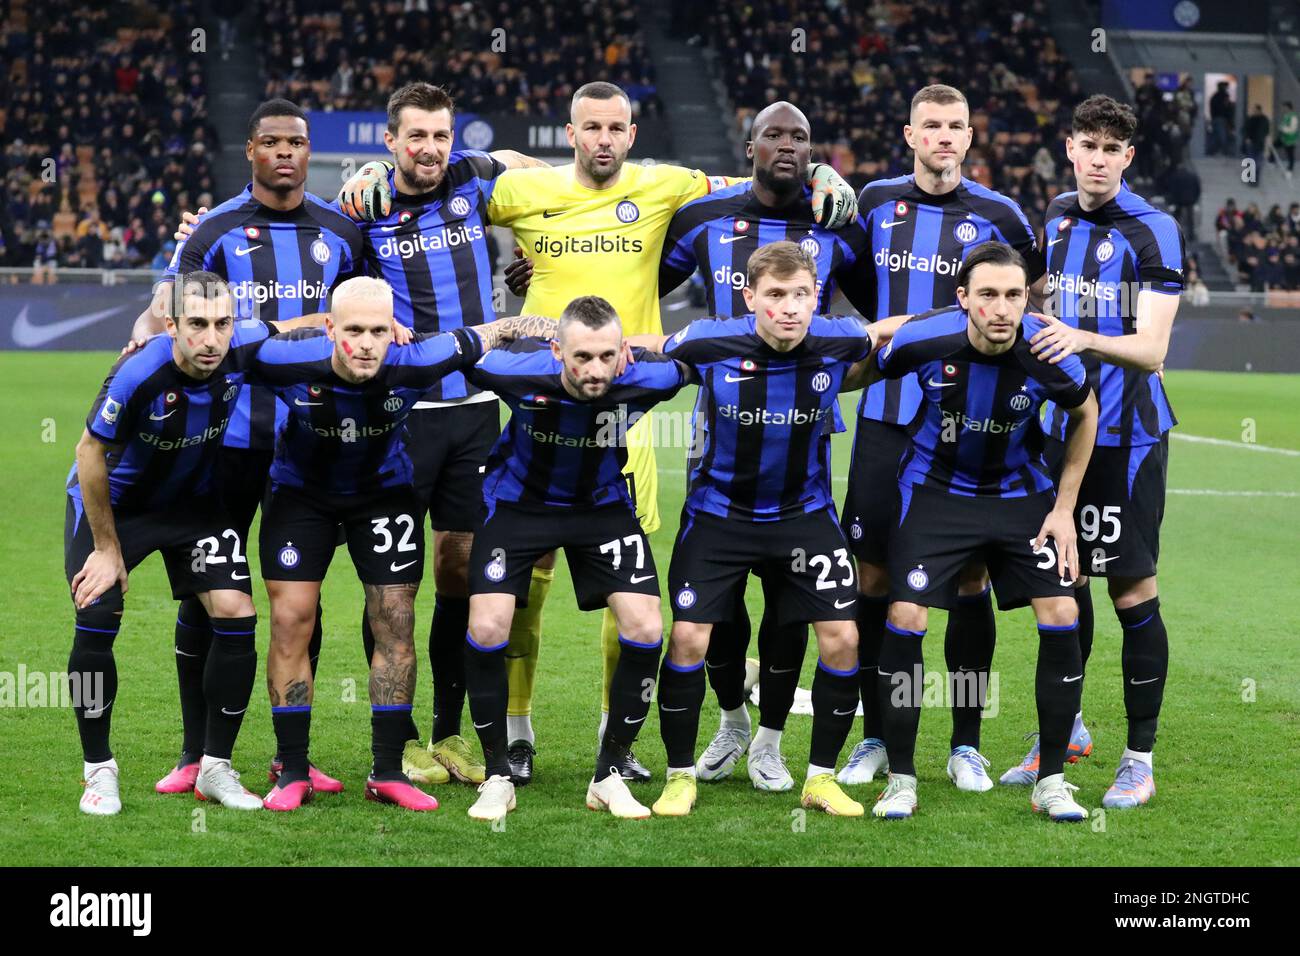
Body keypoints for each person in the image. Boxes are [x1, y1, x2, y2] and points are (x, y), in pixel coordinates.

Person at [339, 80, 861, 786]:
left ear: (632, 134)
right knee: (522, 588)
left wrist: (823, 169)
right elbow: (439, 183)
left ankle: (618, 741)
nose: (605, 138)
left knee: (632, 589)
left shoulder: (667, 185)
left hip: (627, 408)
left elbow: (763, 168)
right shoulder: (525, 190)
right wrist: (369, 171)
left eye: (617, 126)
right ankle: (516, 733)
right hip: (536, 400)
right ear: (573, 130)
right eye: (592, 126)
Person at [249, 276, 555, 811]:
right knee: (291, 620)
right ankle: (292, 769)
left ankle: (388, 770)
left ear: (395, 331)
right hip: (300, 496)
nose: (365, 343)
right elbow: (203, 346)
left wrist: (567, 333)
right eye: (352, 331)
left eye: (376, 330)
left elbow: (500, 329)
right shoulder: (282, 358)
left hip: (383, 496)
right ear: (329, 329)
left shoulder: (419, 359)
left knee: (396, 620)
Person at [135, 99, 364, 798]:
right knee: (210, 592)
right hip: (227, 443)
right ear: (251, 151)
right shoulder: (213, 230)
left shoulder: (340, 232)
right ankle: (194, 753)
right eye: (272, 142)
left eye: (297, 142)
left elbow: (369, 317)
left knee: (302, 599)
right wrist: (145, 336)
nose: (287, 153)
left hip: (311, 440)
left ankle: (289, 757)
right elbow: (163, 311)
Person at [654, 100, 876, 791]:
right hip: (717, 443)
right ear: (749, 146)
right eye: (775, 135)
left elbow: (873, 307)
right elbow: (639, 284)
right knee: (715, 617)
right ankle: (730, 721)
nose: (788, 145)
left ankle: (772, 742)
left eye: (802, 137)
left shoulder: (836, 221)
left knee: (790, 609)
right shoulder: (701, 218)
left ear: (815, 151)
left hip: (801, 444)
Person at [838, 84, 1051, 793]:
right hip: (886, 417)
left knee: (969, 580)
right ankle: (875, 735)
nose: (944, 137)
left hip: (969, 429)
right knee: (873, 578)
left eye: (956, 125)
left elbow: (1026, 298)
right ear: (909, 133)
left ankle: (965, 742)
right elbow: (860, 289)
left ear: (970, 134)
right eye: (931, 125)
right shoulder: (874, 202)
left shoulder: (1002, 213)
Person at [867, 241, 1099, 822]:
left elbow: (1086, 412)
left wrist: (1064, 507)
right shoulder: (927, 337)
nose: (1001, 308)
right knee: (906, 616)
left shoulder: (1049, 352)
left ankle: (1050, 780)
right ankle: (900, 778)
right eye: (988, 295)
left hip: (1019, 497)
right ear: (964, 299)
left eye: (1014, 295)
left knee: (1063, 613)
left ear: (1028, 298)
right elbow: (868, 362)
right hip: (935, 492)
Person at [1014, 94, 1185, 811]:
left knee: (1130, 591)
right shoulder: (1053, 215)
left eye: (1111, 150)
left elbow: (1152, 350)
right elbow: (1035, 295)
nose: (1096, 160)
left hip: (1128, 441)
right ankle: (1067, 732)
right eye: (1086, 145)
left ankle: (1138, 759)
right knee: (1063, 587)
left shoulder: (1155, 231)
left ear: (1128, 158)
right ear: (1070, 147)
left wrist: (1082, 339)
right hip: (1059, 434)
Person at [458, 296, 690, 822]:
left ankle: (608, 774)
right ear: (557, 350)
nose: (595, 370)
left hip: (602, 507)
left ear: (622, 351)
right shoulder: (514, 370)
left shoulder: (649, 377)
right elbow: (463, 346)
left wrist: (651, 344)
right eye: (581, 357)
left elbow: (696, 352)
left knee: (646, 626)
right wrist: (515, 322)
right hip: (518, 506)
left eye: (608, 356)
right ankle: (497, 776)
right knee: (489, 625)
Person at [68, 273, 279, 815]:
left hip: (193, 506)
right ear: (173, 325)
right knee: (98, 612)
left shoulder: (243, 347)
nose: (212, 339)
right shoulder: (138, 371)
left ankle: (215, 768)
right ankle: (99, 772)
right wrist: (107, 549)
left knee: (236, 614)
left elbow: (295, 328)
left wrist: (356, 325)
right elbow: (89, 451)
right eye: (198, 325)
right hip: (117, 507)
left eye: (222, 324)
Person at [1243, 105, 1270, 187]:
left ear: (1259, 110)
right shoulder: (1251, 119)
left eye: (1255, 110)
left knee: (1257, 163)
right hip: (1252, 143)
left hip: (1259, 144)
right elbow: (1246, 129)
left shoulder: (1264, 120)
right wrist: (1247, 138)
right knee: (1251, 161)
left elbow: (1266, 131)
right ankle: (1250, 179)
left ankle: (1255, 180)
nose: (1253, 111)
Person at [1276, 101, 1297, 173]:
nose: (1282, 109)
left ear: (1288, 107)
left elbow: (1292, 129)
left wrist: (1282, 128)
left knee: (1290, 155)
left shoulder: (1293, 117)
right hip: (1284, 138)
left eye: (1284, 107)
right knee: (1274, 145)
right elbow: (1284, 125)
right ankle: (1272, 159)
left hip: (1290, 139)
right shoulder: (1286, 115)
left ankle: (1290, 170)